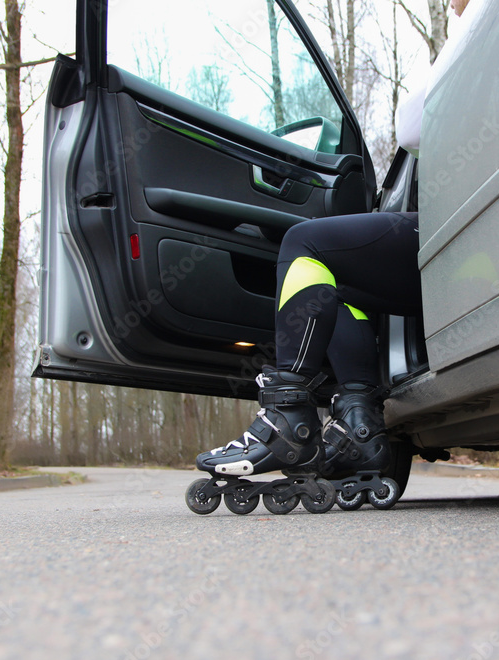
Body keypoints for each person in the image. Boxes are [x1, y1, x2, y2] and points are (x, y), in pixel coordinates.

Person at [192, 0, 476, 508]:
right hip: (482, 248)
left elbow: (413, 127)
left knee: (305, 244)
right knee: (339, 286)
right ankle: (359, 428)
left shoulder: (483, 22)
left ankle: (287, 419)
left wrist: (461, 24)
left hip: (467, 235)